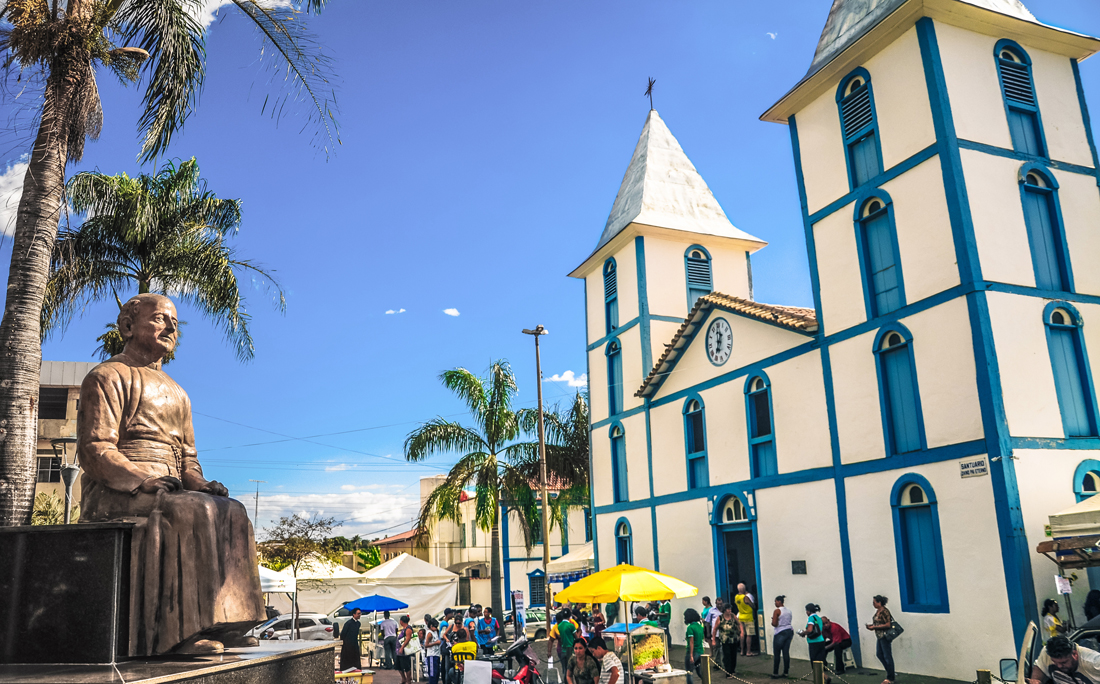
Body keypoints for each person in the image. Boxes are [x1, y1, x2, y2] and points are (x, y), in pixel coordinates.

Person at [77, 293, 265, 655]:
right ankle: (177, 635)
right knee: (193, 511)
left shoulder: (179, 393)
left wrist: (200, 482)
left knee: (233, 510)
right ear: (129, 326)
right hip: (118, 488)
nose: (170, 327)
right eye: (160, 318)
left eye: (174, 323)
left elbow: (188, 459)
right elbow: (95, 449)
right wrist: (139, 479)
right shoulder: (107, 376)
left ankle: (229, 621)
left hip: (171, 486)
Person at [1029, 635, 1100, 684]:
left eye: (1064, 662)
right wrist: (1035, 680)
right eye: (1055, 662)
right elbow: (1040, 667)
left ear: (1075, 654)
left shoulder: (1095, 663)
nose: (1059, 666)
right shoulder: (1047, 653)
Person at [866, 595, 896, 684]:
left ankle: (890, 677)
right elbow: (879, 623)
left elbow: (888, 625)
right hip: (879, 636)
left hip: (885, 636)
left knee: (887, 656)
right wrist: (872, 626)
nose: (873, 604)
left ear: (879, 603)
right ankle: (890, 672)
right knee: (879, 654)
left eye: (874, 602)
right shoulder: (878, 611)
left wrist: (874, 627)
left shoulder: (885, 612)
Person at [798, 603, 826, 678]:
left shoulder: (811, 618)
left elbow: (810, 630)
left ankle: (819, 679)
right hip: (821, 641)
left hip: (813, 643)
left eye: (806, 611)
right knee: (820, 661)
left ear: (809, 611)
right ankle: (825, 677)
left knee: (814, 663)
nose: (806, 612)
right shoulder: (819, 618)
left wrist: (803, 633)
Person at [714, 604, 739, 677]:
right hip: (725, 640)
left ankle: (733, 670)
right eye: (728, 609)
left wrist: (740, 631)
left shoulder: (733, 616)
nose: (730, 611)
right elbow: (715, 629)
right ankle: (728, 672)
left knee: (733, 655)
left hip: (733, 639)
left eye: (730, 609)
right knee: (727, 655)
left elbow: (738, 624)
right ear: (724, 610)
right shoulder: (720, 618)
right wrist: (713, 639)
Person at [771, 596, 793, 679]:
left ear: (779, 601)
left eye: (775, 601)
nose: (775, 603)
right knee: (786, 652)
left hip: (780, 632)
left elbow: (774, 624)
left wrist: (773, 620)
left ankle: (775, 673)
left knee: (777, 654)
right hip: (789, 631)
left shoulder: (777, 611)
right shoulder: (789, 611)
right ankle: (786, 672)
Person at [735, 585, 757, 656]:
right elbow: (752, 606)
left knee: (742, 634)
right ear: (744, 589)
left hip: (740, 616)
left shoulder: (736, 597)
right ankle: (748, 651)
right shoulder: (745, 597)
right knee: (749, 635)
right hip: (748, 617)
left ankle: (742, 651)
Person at [684, 608, 705, 683]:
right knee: (700, 672)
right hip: (700, 651)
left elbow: (691, 642)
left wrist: (691, 656)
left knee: (689, 672)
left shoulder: (690, 627)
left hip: (693, 652)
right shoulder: (700, 627)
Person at [397, 615, 415, 684]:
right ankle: (404, 678)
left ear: (401, 621)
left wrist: (402, 647)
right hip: (400, 651)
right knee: (399, 666)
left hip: (405, 651)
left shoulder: (408, 629)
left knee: (406, 666)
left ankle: (408, 680)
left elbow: (408, 639)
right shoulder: (404, 629)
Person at [425, 619, 442, 684]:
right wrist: (436, 643)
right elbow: (426, 645)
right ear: (431, 626)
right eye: (435, 626)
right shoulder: (429, 633)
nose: (436, 628)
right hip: (432, 655)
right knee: (433, 673)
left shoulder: (435, 631)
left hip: (436, 654)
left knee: (437, 672)